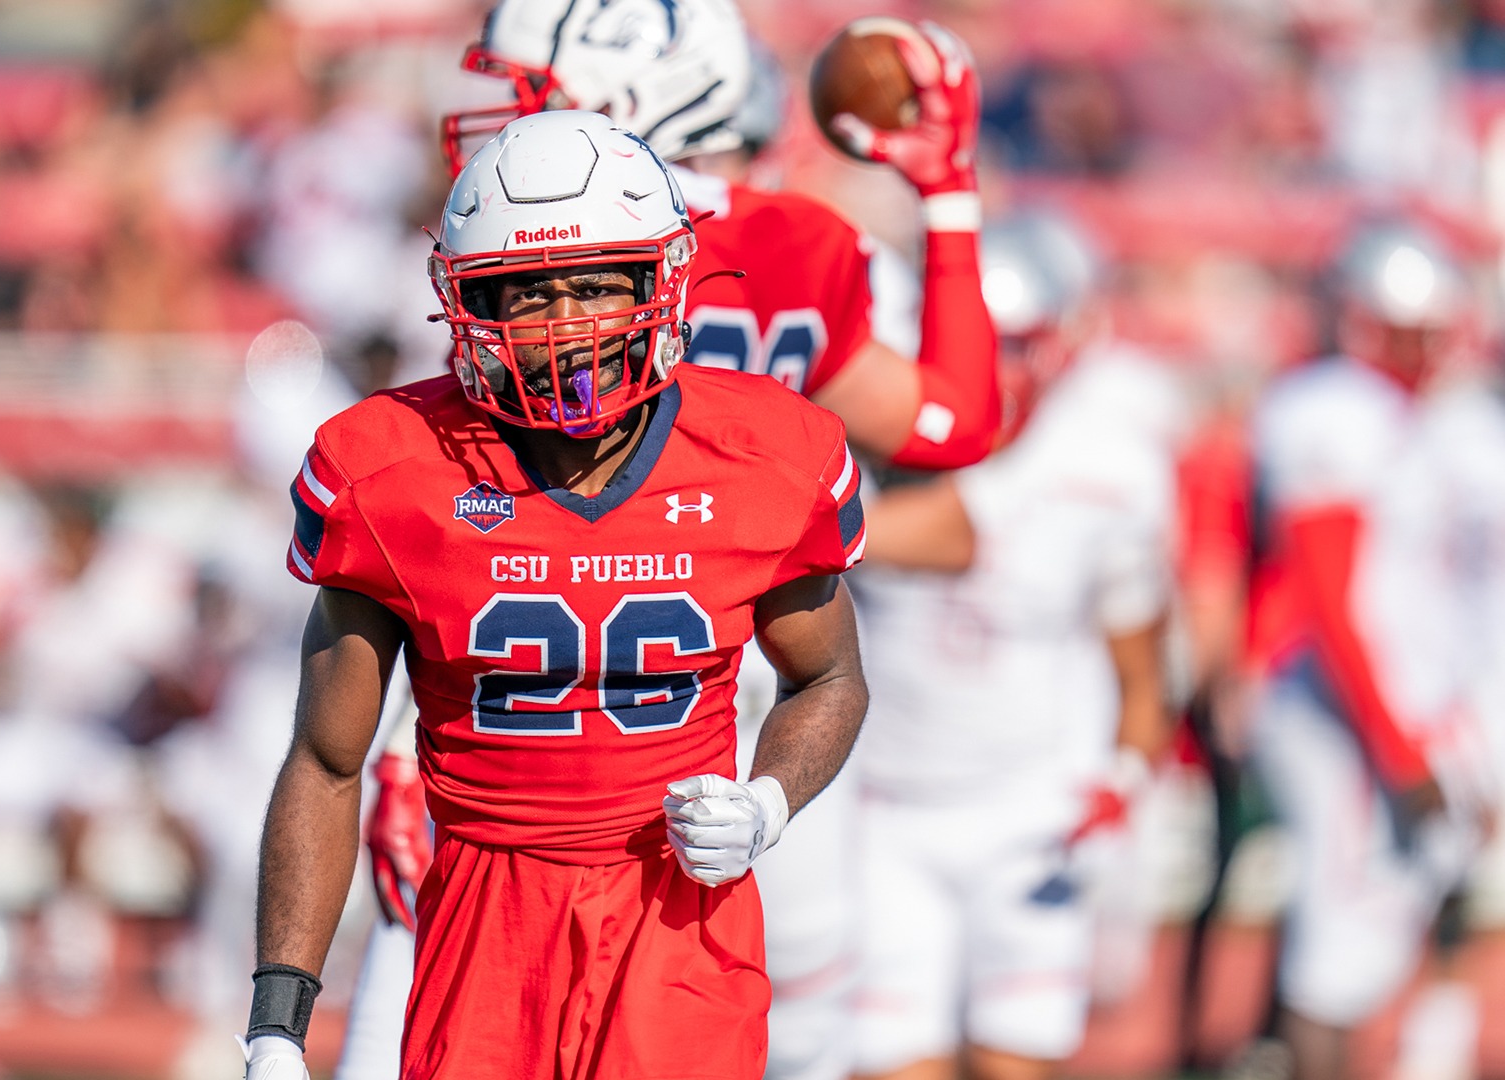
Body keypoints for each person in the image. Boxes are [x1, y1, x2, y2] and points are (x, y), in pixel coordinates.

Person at [347, 6, 996, 1075]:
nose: (505, 116)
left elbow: (429, 522)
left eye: (530, 84)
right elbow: (951, 422)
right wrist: (952, 199)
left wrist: (395, 750)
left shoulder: (515, 259)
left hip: (552, 698)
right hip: (719, 677)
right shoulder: (795, 241)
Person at [246, 111, 871, 1080]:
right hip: (483, 921)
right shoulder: (389, 468)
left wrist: (766, 803)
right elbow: (327, 762)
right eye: (530, 294)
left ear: (658, 282)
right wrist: (277, 1025)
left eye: (593, 284)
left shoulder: (764, 456)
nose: (569, 324)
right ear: (472, 306)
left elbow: (829, 677)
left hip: (678, 917)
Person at [838, 212, 1177, 1080]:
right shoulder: (874, 430)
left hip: (1032, 803)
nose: (1002, 371)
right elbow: (949, 530)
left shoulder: (1114, 465)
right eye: (986, 342)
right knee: (890, 1059)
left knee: (1014, 1059)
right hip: (887, 804)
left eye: (1021, 343)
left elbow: (1142, 667)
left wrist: (1124, 778)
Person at [1245, 219, 1496, 1080]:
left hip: (1412, 710)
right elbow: (1331, 596)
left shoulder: (1428, 419)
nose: (1433, 349)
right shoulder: (1331, 408)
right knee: (1335, 949)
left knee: (1381, 924)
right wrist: (1399, 748)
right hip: (1344, 714)